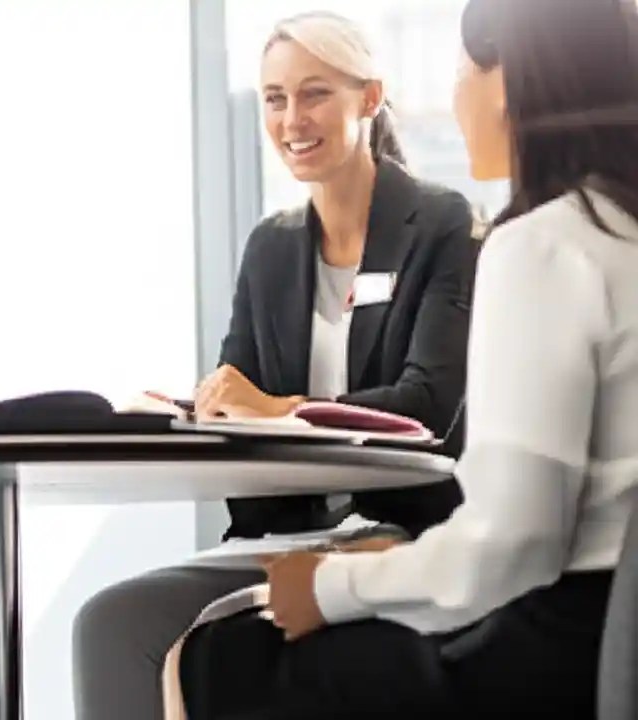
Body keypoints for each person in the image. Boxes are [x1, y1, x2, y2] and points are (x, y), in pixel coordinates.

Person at [176, 0, 638, 716]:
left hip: (554, 647)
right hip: (609, 631)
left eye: (460, 71)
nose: (454, 98)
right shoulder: (619, 239)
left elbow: (517, 542)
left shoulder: (541, 247)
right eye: (274, 98)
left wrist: (332, 589)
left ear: (507, 82)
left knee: (221, 661)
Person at [73, 12, 478, 720]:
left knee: (212, 648)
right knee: (111, 621)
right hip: (286, 532)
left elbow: (426, 407)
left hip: (400, 535)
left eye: (315, 93)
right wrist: (187, 412)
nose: (293, 118)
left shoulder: (443, 224)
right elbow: (240, 391)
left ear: (370, 98)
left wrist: (276, 410)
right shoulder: (272, 247)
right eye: (274, 98)